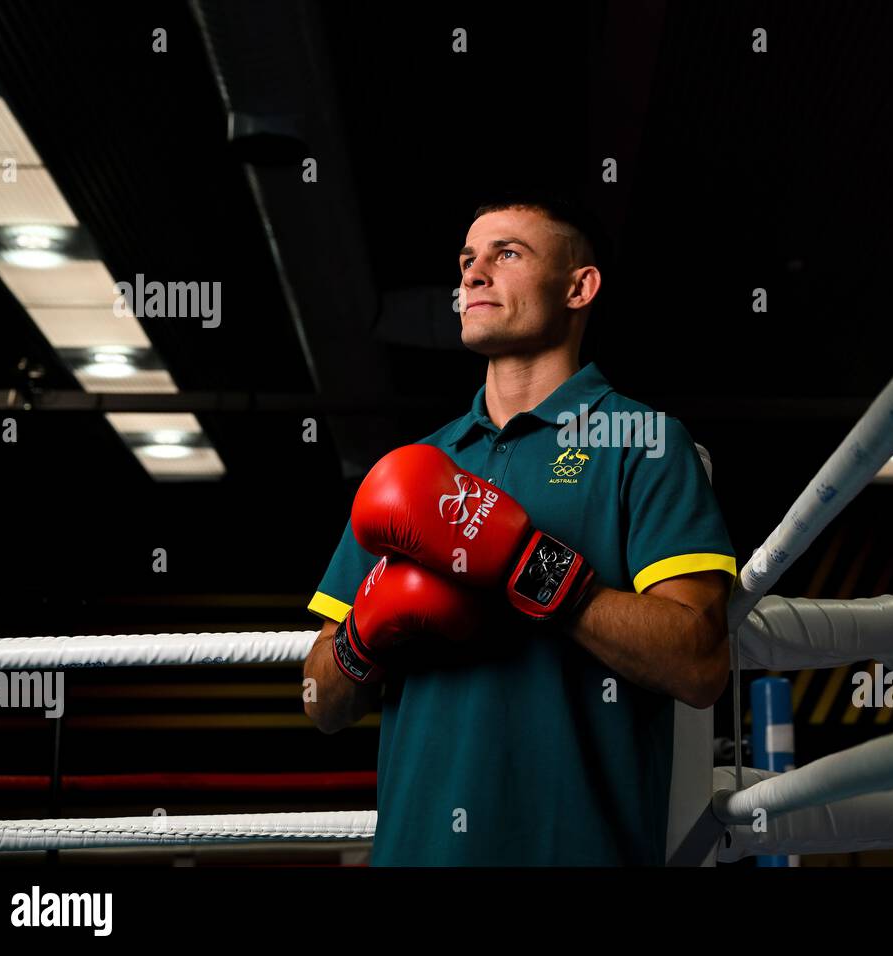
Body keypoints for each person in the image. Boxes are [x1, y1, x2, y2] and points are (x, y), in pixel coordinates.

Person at [303, 192, 736, 865]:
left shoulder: (644, 442)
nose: (473, 274)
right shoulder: (414, 469)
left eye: (507, 254)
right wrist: (365, 634)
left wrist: (524, 566)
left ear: (579, 285)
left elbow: (700, 663)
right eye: (468, 260)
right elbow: (320, 704)